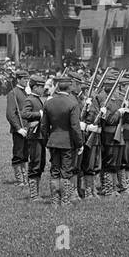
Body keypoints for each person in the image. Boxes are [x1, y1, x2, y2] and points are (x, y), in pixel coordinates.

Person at [41, 73, 83, 208]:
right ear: (69, 87)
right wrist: (79, 143)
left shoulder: (49, 102)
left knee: (54, 171)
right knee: (66, 172)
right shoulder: (72, 103)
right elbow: (75, 127)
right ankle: (65, 201)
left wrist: (48, 140)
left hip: (53, 140)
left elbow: (44, 126)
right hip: (67, 141)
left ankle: (55, 201)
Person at [23, 74, 48, 202]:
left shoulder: (38, 99)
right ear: (35, 87)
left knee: (40, 163)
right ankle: (33, 194)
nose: (43, 89)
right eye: (41, 86)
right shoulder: (30, 99)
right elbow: (25, 114)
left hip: (40, 135)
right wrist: (39, 114)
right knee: (35, 163)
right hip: (34, 135)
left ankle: (36, 192)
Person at [4, 69, 31, 189]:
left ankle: (25, 177)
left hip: (27, 129)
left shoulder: (25, 93)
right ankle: (20, 179)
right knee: (18, 154)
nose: (26, 81)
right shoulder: (13, 93)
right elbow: (10, 113)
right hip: (19, 130)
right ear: (18, 79)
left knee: (26, 154)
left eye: (27, 79)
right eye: (24, 79)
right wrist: (18, 128)